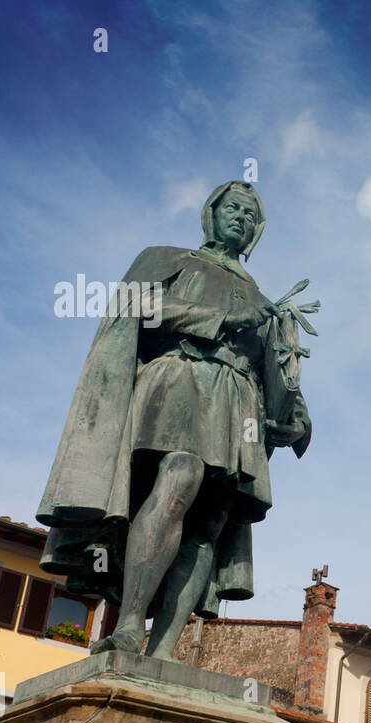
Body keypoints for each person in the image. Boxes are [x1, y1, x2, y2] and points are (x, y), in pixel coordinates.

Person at [37, 181, 311, 659]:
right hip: (179, 380)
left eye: (251, 215)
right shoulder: (166, 259)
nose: (242, 218)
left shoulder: (265, 300)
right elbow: (136, 307)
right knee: (178, 477)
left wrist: (295, 417)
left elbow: (280, 375)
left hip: (237, 403)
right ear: (211, 213)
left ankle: (163, 649)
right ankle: (127, 626)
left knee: (209, 523)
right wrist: (222, 320)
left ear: (258, 231)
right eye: (234, 208)